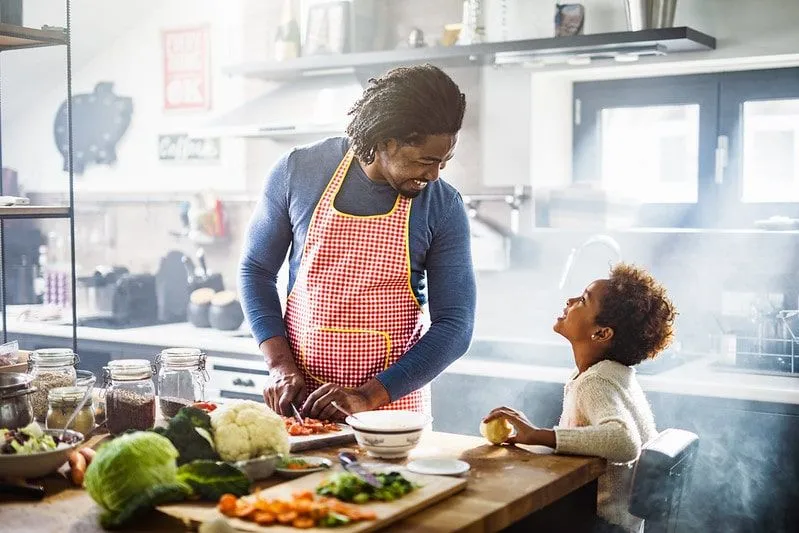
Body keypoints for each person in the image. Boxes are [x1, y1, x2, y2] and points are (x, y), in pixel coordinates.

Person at [239, 64, 476, 421]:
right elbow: (255, 270)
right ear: (385, 140)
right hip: (300, 406)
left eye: (444, 161)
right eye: (426, 161)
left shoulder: (443, 206)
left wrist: (367, 397)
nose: (434, 174)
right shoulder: (298, 172)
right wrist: (279, 366)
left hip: (390, 414)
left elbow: (455, 325)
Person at [483, 263, 677, 533]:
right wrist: (537, 437)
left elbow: (624, 441)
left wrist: (540, 435)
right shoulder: (615, 374)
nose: (570, 301)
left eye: (583, 300)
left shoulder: (595, 381)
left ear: (601, 333)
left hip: (599, 526)